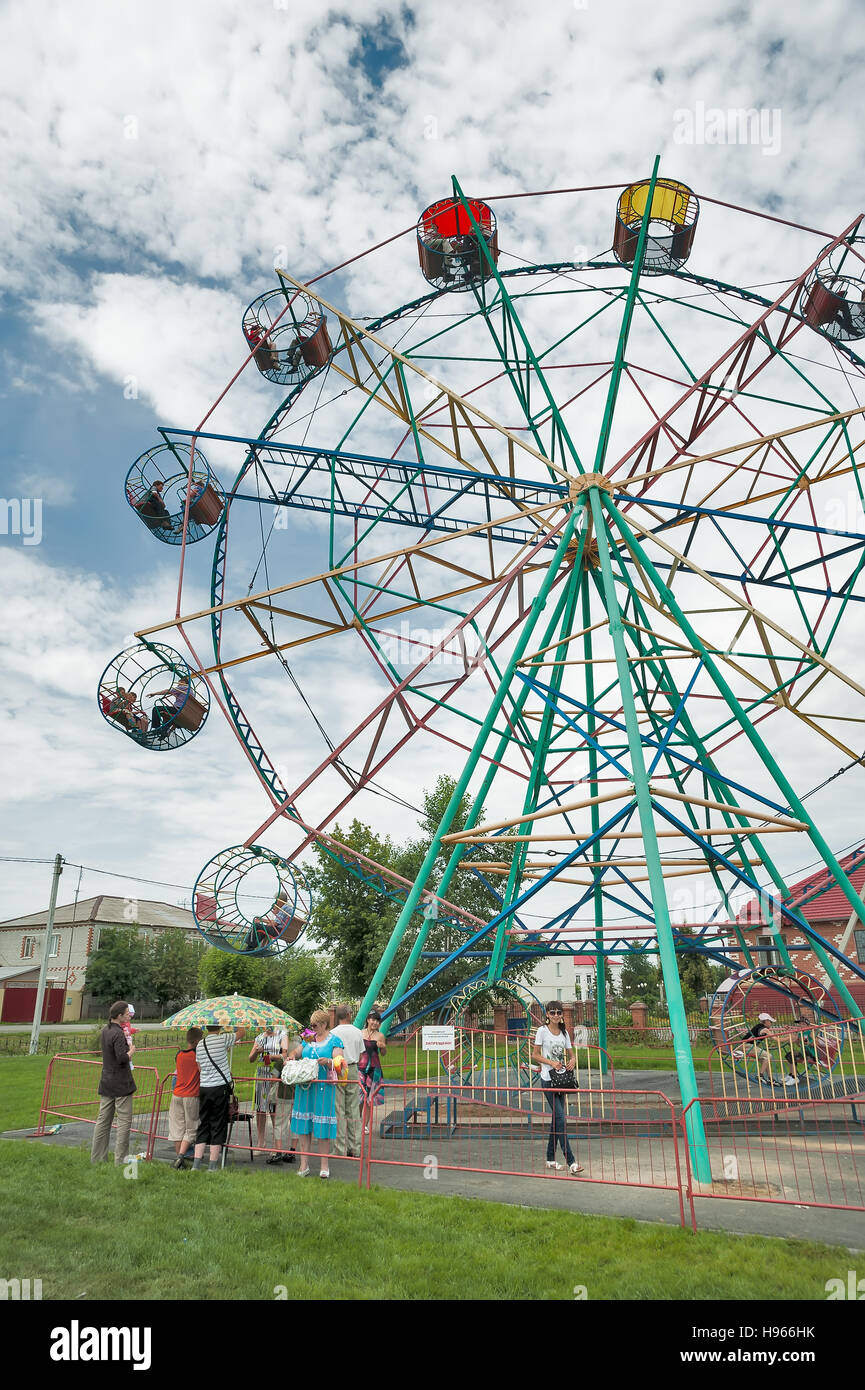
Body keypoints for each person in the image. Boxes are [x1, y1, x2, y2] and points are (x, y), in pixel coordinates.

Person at [288, 1010, 345, 1178]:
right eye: (311, 1025)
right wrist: (291, 1057)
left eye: (315, 1025)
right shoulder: (308, 1037)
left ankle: (324, 1166)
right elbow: (296, 1052)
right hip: (304, 1088)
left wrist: (329, 1062)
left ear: (324, 1024)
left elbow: (339, 1062)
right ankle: (304, 1165)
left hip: (323, 1089)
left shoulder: (335, 1040)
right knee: (304, 1128)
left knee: (322, 1128)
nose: (312, 1028)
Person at [532, 1004, 583, 1175]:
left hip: (562, 1080)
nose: (555, 1015)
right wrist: (551, 1062)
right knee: (561, 1118)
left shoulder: (564, 1033)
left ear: (561, 1015)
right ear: (547, 1014)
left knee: (557, 1119)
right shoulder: (542, 1031)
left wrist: (573, 1060)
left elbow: (571, 1053)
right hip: (548, 1080)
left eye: (558, 1012)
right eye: (552, 1012)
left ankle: (550, 1159)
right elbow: (535, 1055)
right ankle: (572, 1162)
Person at [90, 1001, 137, 1165]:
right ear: (119, 1016)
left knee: (103, 1121)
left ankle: (97, 1158)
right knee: (124, 1122)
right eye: (126, 1013)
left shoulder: (105, 1030)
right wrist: (131, 1050)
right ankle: (121, 1160)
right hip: (121, 1083)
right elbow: (122, 1058)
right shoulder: (118, 1033)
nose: (128, 1016)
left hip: (107, 1081)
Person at [193, 1023, 237, 1170]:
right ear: (220, 1026)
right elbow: (242, 1032)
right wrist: (236, 1022)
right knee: (218, 1123)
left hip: (204, 1087)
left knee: (203, 1123)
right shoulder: (223, 1039)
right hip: (219, 1088)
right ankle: (212, 1165)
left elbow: (199, 1067)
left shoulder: (200, 1044)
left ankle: (196, 1163)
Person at [330, 1005, 364, 1158]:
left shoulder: (333, 1033)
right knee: (353, 1109)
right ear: (350, 1014)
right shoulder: (358, 1032)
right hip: (352, 1068)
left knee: (339, 1109)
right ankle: (355, 1147)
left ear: (337, 1016)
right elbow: (361, 1054)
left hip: (337, 1070)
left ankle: (340, 1148)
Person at [249, 1024, 287, 1154]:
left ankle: (277, 1145)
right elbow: (250, 1059)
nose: (267, 1026)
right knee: (260, 1109)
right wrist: (256, 1051)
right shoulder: (259, 1037)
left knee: (273, 1109)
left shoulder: (281, 1034)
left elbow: (284, 1055)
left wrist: (270, 1055)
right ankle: (261, 1142)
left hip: (275, 1072)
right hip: (261, 1072)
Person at [170, 1026, 203, 1168]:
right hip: (191, 1095)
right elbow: (202, 1071)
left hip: (177, 1094)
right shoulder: (197, 1056)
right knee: (191, 1129)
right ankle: (180, 1157)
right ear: (196, 1041)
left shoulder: (179, 1055)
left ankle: (179, 1161)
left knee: (178, 1128)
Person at [358, 1010, 387, 1132]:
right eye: (373, 1019)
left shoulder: (380, 1036)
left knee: (370, 1098)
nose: (375, 1022)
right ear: (368, 1020)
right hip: (361, 1068)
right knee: (359, 1096)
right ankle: (358, 1121)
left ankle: (365, 1125)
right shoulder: (360, 1033)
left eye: (377, 1021)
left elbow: (384, 1054)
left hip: (374, 1069)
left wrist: (383, 1047)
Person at [739, 1012, 785, 1084]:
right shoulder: (764, 1029)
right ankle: (760, 1076)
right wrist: (789, 1038)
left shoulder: (758, 1026)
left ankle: (770, 1079)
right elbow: (777, 1039)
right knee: (768, 1056)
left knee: (765, 1060)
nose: (771, 1024)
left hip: (745, 1046)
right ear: (766, 1021)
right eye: (770, 1022)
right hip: (746, 1046)